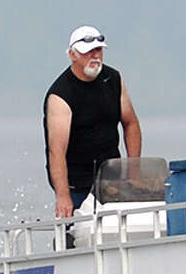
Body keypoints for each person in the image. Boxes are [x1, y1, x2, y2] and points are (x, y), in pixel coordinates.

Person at [43, 24, 145, 219]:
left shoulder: (113, 79)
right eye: (88, 52)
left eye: (98, 50)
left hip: (111, 179)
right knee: (77, 233)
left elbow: (131, 123)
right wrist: (63, 196)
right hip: (77, 183)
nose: (95, 56)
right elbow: (56, 150)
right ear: (73, 55)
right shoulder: (61, 95)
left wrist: (134, 169)